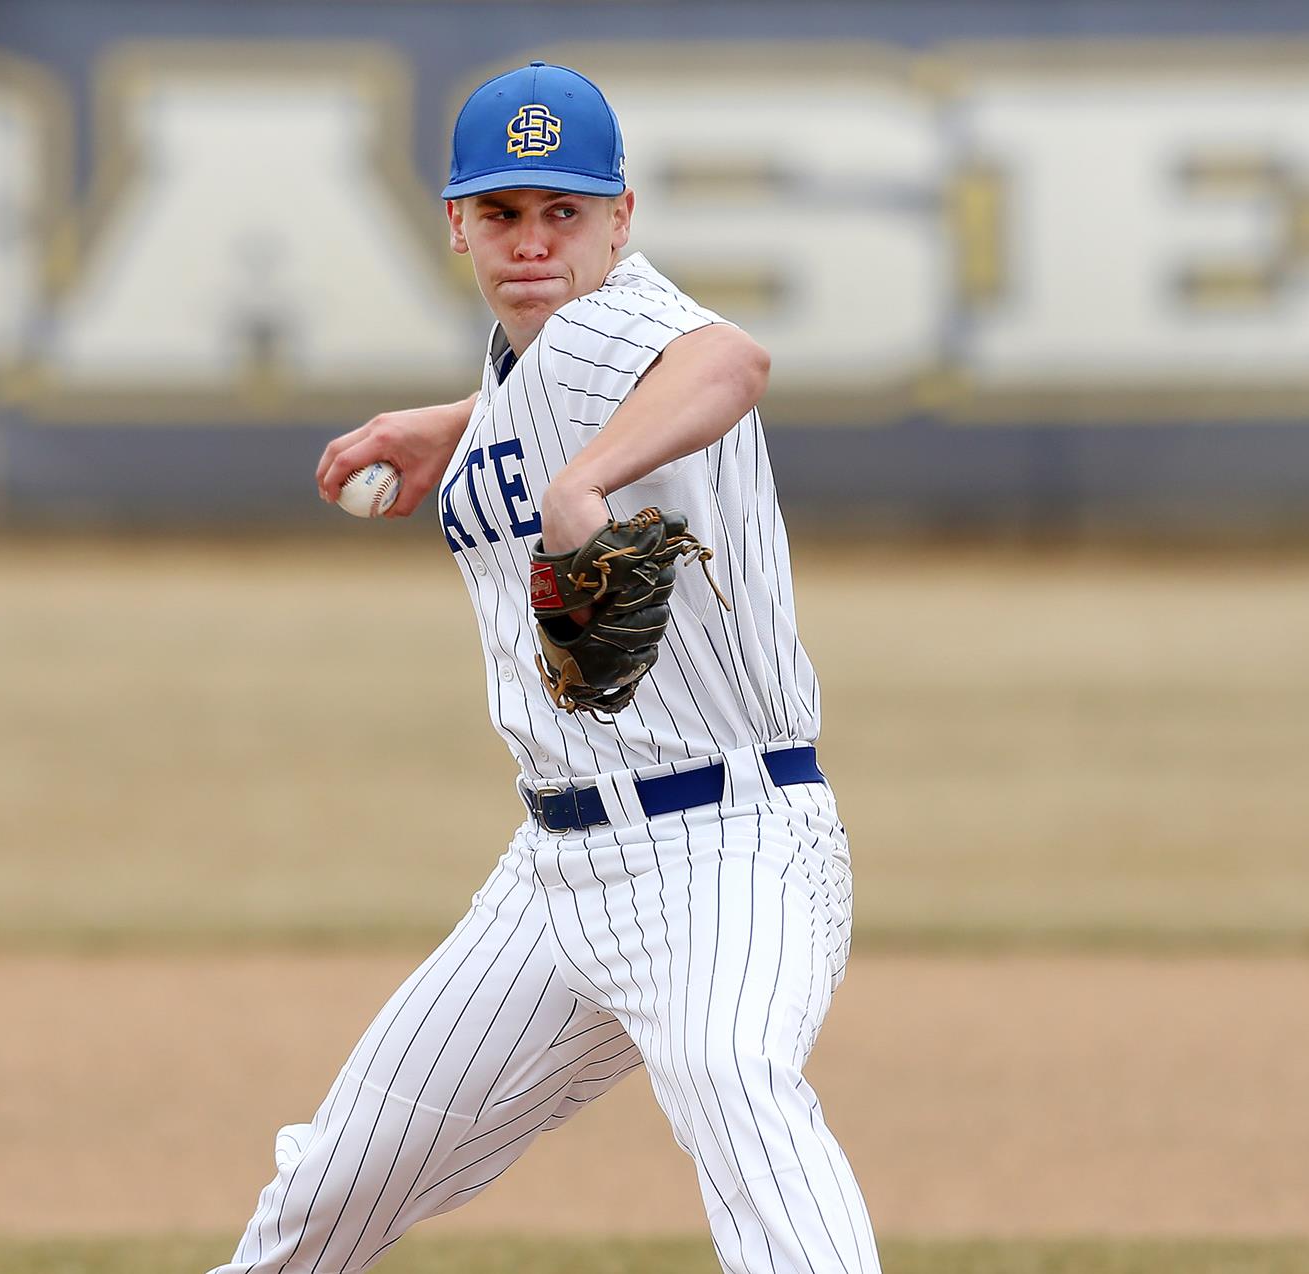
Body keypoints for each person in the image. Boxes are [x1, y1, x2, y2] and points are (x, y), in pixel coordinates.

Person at [211, 61, 880, 1274]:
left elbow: (727, 361)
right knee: (337, 1180)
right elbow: (554, 388)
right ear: (457, 223)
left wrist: (577, 488)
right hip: (553, 875)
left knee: (736, 1087)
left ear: (619, 221)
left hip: (724, 850)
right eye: (504, 213)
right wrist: (454, 421)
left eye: (563, 212)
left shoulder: (617, 318)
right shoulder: (532, 356)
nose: (533, 241)